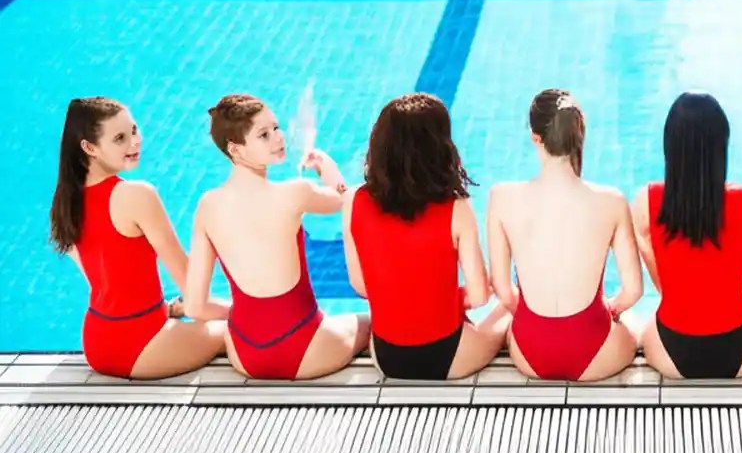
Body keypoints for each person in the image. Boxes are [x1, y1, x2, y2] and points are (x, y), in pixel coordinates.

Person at [186, 94, 369, 380]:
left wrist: (254, 317)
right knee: (373, 324)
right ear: (235, 149)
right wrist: (327, 168)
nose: (278, 138)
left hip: (246, 355)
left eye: (276, 128)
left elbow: (195, 307)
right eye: (264, 134)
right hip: (306, 349)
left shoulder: (207, 206)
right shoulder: (295, 192)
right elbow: (347, 200)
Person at [49, 97, 227, 379]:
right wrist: (244, 311)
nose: (135, 142)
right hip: (140, 345)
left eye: (133, 131)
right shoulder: (137, 195)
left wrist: (166, 311)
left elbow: (111, 288)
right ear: (90, 147)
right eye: (120, 138)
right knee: (239, 332)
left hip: (97, 344)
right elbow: (196, 299)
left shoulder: (65, 204)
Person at [343, 93, 507, 380]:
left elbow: (361, 286)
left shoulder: (353, 202)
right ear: (440, 146)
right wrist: (446, 300)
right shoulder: (456, 208)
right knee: (511, 308)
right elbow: (481, 296)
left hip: (386, 357)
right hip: (449, 356)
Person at [488, 89, 643, 382]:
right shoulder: (611, 200)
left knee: (502, 315)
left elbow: (503, 290)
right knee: (636, 325)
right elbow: (633, 291)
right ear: (579, 135)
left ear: (536, 137)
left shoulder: (502, 198)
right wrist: (611, 309)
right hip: (596, 350)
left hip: (530, 353)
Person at [633, 91, 742, 380]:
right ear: (722, 145)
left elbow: (662, 284)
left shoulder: (646, 202)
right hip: (741, 351)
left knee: (637, 320)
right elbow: (741, 281)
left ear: (670, 147)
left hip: (671, 352)